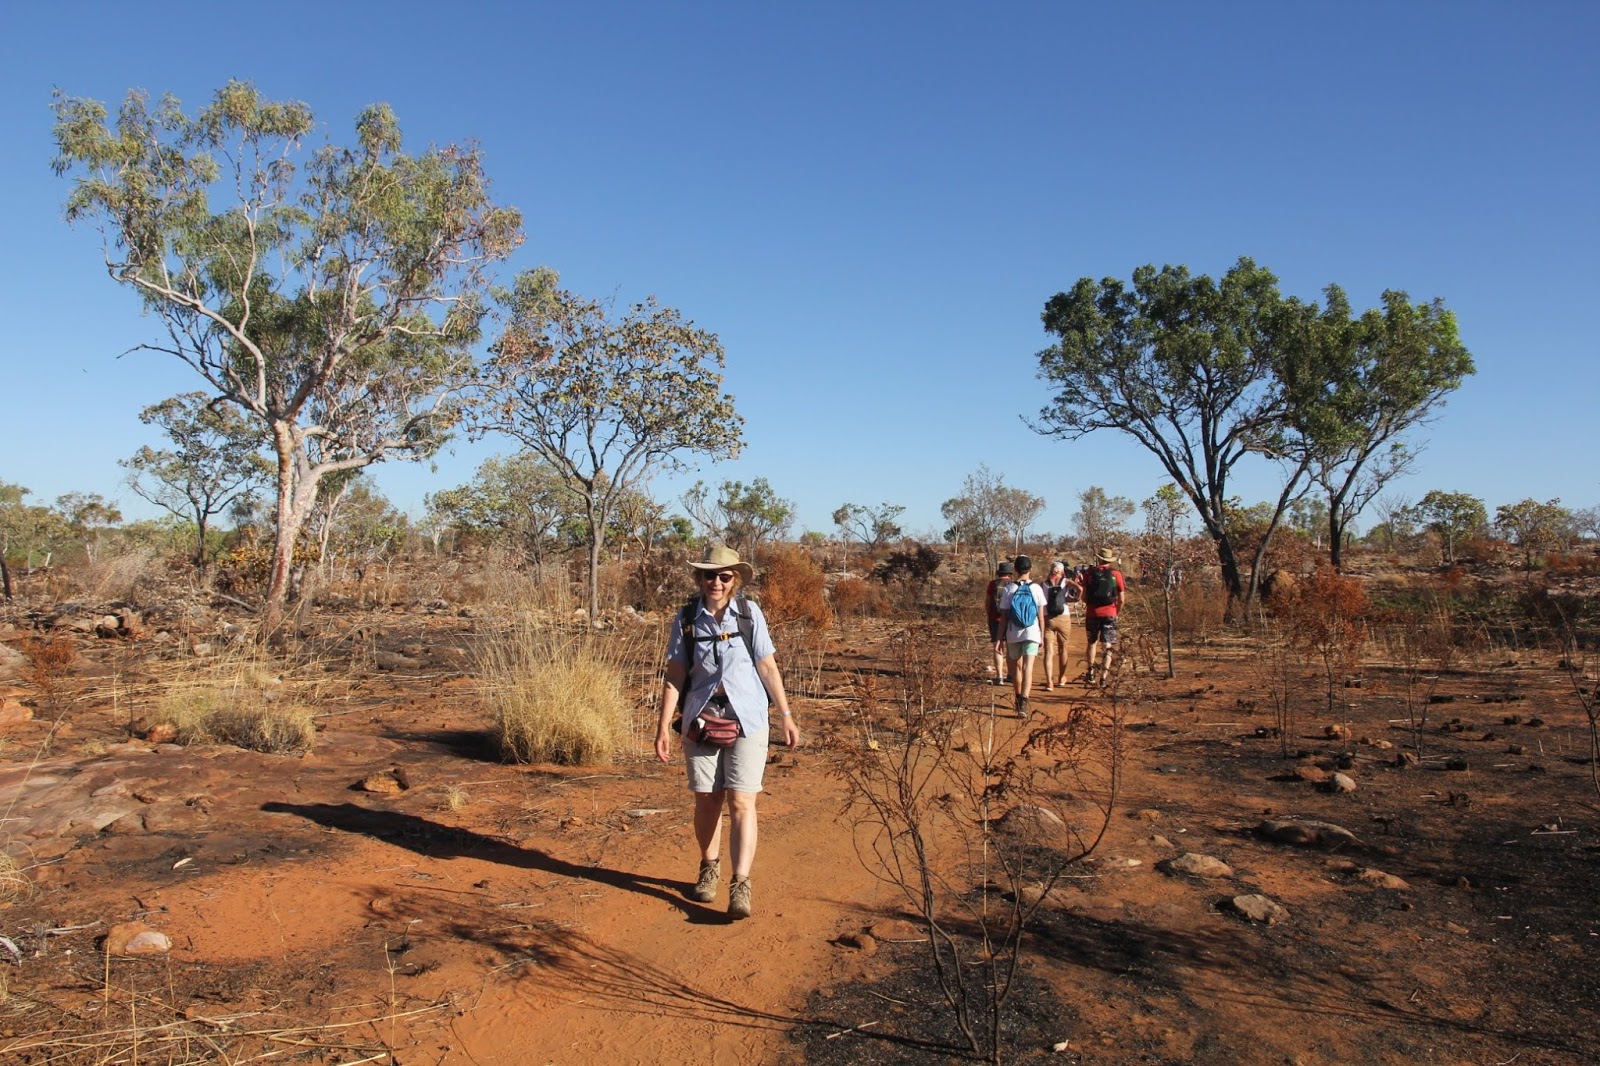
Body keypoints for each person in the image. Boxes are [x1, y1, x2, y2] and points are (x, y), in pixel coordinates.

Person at [655, 545, 800, 919]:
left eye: (724, 576)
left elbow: (767, 667)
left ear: (735, 580)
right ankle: (709, 866)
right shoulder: (687, 618)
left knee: (742, 801)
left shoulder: (750, 615)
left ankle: (740, 884)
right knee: (707, 799)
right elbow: (675, 676)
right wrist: (663, 728)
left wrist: (785, 714)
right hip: (701, 719)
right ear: (698, 579)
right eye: (709, 575)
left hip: (748, 718)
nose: (715, 582)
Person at [994, 555, 1047, 716]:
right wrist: (1042, 635)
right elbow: (1041, 616)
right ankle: (1024, 700)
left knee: (1016, 668)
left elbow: (1003, 617)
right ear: (1030, 569)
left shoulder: (1010, 589)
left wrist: (999, 639)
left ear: (1015, 570)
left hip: (1013, 633)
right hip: (1032, 633)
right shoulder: (1036, 589)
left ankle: (1018, 697)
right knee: (1028, 667)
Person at [1082, 547, 1126, 686]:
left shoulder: (1089, 573)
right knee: (1107, 645)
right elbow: (1122, 599)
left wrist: (1090, 604)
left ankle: (1091, 673)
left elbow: (1083, 596)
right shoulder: (1115, 574)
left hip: (1092, 612)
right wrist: (1116, 612)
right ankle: (1104, 677)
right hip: (1110, 613)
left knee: (1092, 643)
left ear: (1099, 558)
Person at [1040, 560, 1081, 689]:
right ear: (1062, 571)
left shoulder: (1043, 584)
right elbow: (1080, 588)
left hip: (1048, 618)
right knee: (1063, 648)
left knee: (1048, 651)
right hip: (1064, 617)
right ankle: (1062, 678)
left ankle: (1049, 681)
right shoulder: (1065, 582)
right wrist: (1076, 599)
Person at [983, 560, 1016, 685]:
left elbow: (987, 601)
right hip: (1009, 620)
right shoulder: (1013, 585)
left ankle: (999, 676)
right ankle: (1011, 674)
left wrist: (990, 615)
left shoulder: (993, 584)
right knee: (1010, 648)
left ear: (999, 573)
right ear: (1009, 573)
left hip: (995, 619)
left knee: (998, 647)